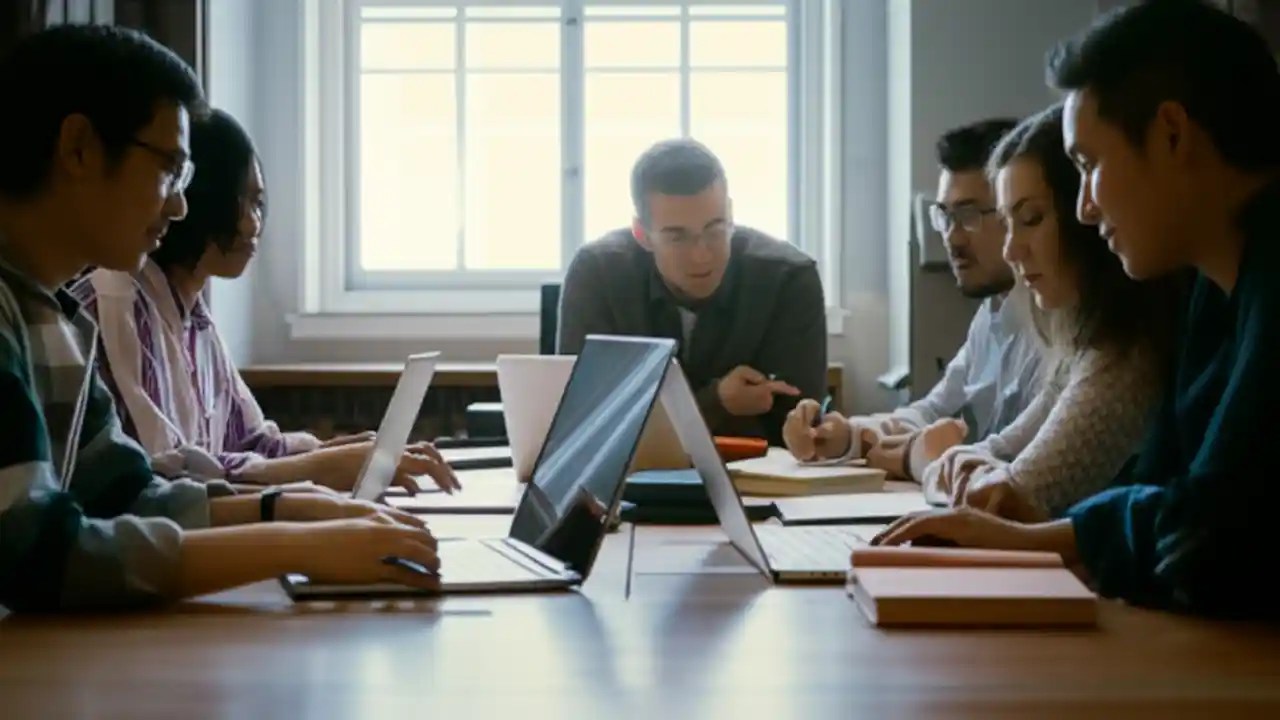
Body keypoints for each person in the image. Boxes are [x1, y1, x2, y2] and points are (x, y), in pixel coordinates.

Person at [0, 25, 438, 612]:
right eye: (169, 170)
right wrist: (292, 545)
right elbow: (38, 555)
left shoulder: (54, 313)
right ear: (78, 147)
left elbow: (123, 491)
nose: (179, 204)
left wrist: (286, 507)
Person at [875, 0, 1280, 619]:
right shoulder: (1211, 291)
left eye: (1088, 166)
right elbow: (1170, 490)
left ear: (1172, 135)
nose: (1085, 209)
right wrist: (1028, 543)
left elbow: (1207, 539)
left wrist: (1035, 539)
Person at [70, 109, 459, 496]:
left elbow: (254, 444)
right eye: (236, 203)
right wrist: (318, 466)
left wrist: (338, 452)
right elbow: (166, 481)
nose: (251, 225)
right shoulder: (119, 303)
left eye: (258, 204)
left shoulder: (195, 319)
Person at [920, 103, 1180, 521]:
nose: (1011, 250)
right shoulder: (1082, 338)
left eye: (1032, 218)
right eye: (1008, 223)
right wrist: (959, 461)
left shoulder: (1125, 351)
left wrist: (952, 462)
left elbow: (1011, 497)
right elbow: (1000, 450)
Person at [785, 119, 1044, 482]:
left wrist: (914, 458)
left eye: (969, 215)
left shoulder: (1054, 326)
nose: (952, 239)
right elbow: (934, 410)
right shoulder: (993, 313)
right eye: (946, 217)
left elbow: (1019, 465)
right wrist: (844, 435)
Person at [557, 138, 825, 445]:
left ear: (731, 215)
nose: (702, 255)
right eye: (677, 237)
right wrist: (716, 403)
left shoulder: (789, 279)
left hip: (760, 483)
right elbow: (586, 427)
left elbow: (798, 430)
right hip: (628, 485)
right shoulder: (597, 274)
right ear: (642, 234)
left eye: (715, 229)